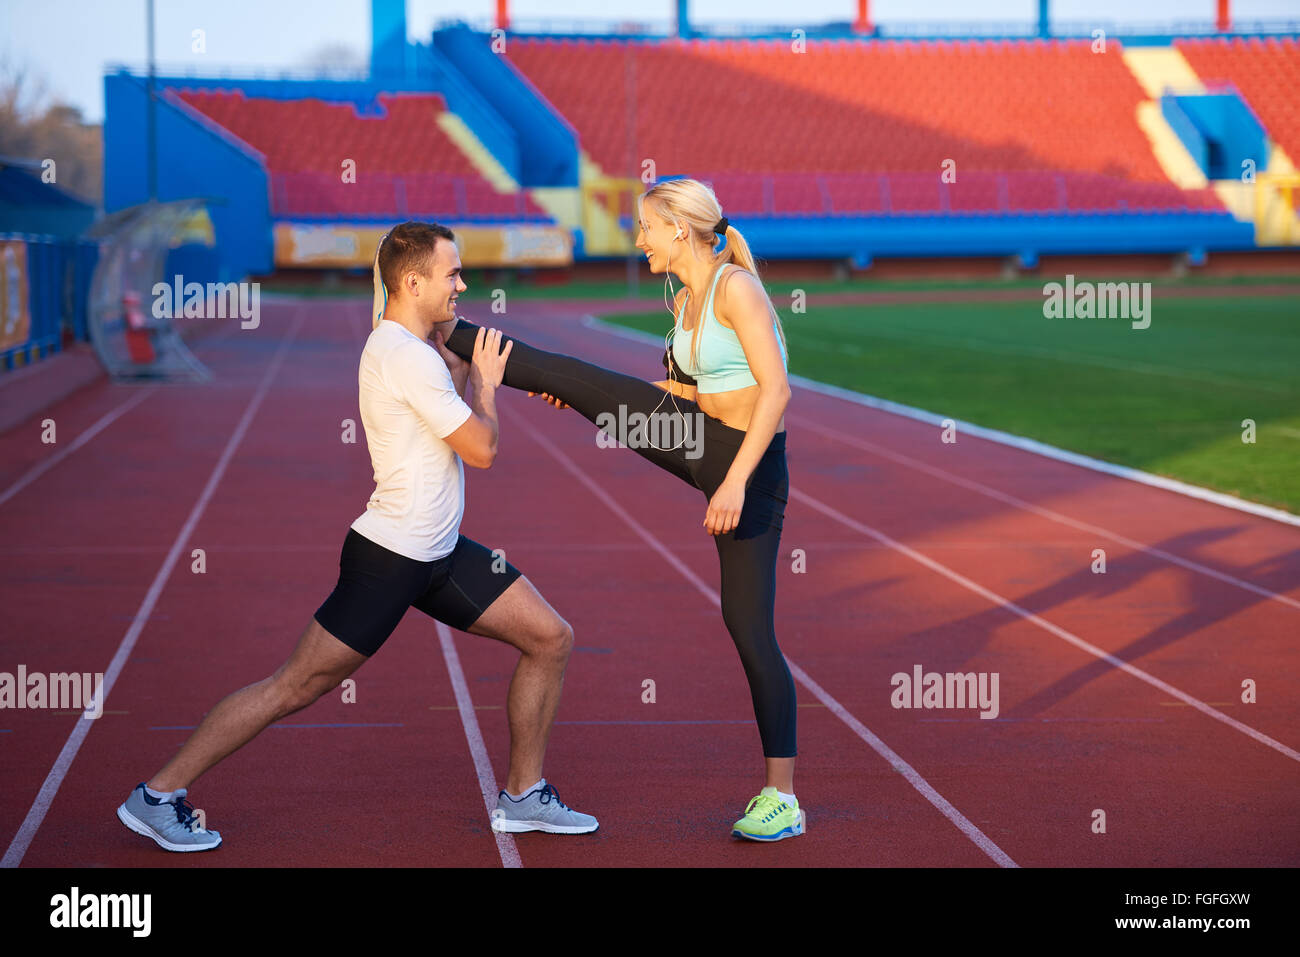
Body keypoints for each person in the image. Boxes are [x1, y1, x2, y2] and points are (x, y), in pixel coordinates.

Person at [117, 221, 597, 852]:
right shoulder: (400, 354)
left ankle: (524, 796)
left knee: (549, 637)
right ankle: (157, 795)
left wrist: (474, 373)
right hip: (390, 560)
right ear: (412, 280)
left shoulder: (415, 350)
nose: (463, 284)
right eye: (452, 273)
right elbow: (481, 448)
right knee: (294, 686)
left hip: (439, 552)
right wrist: (484, 386)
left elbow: (443, 411)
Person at [439, 179, 803, 841]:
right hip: (697, 439)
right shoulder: (688, 297)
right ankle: (452, 333)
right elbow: (695, 391)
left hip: (746, 468)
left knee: (750, 629)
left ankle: (782, 796)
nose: (638, 241)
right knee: (580, 381)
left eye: (644, 228)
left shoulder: (734, 288)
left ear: (678, 227)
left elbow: (775, 393)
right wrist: (591, 402)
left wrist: (734, 486)